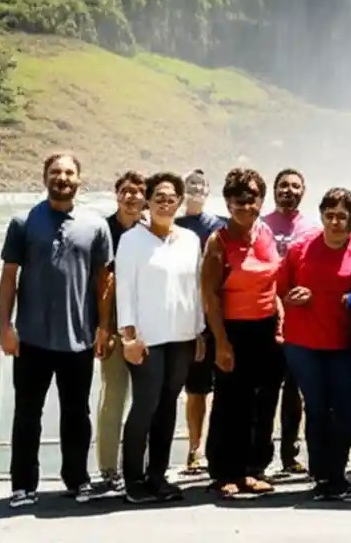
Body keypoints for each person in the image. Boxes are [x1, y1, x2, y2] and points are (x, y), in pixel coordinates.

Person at [0, 152, 113, 507]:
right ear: (44, 177)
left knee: (77, 414)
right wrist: (5, 326)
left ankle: (77, 479)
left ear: (79, 179)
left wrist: (104, 327)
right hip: (31, 338)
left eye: (68, 172)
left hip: (78, 340)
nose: (62, 177)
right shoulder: (23, 222)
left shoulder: (96, 226)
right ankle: (23, 485)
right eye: (55, 172)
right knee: (27, 414)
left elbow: (103, 281)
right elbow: (8, 279)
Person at [114, 172, 204, 503]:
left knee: (168, 407)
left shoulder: (190, 240)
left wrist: (199, 330)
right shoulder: (132, 240)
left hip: (181, 336)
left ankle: (158, 476)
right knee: (145, 406)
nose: (165, 202)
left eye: (172, 197)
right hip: (147, 339)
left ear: (180, 202)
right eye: (159, 197)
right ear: (148, 201)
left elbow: (195, 289)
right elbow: (124, 290)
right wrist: (128, 336)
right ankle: (133, 479)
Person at [202, 168, 284, 498]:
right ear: (227, 202)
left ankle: (254, 468)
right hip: (232, 330)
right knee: (229, 403)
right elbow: (209, 295)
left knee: (263, 402)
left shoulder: (266, 234)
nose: (244, 204)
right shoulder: (218, 241)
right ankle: (225, 472)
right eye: (237, 199)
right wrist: (221, 342)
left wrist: (280, 318)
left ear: (261, 201)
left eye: (251, 198)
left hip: (266, 330)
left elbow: (273, 281)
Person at [279, 188, 351, 501]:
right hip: (303, 342)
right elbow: (280, 289)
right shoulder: (301, 248)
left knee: (344, 411)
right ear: (322, 215)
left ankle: (336, 473)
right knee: (316, 408)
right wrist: (292, 298)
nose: (336, 222)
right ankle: (323, 476)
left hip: (342, 341)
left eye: (343, 216)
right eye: (330, 215)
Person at [262, 168, 318, 476]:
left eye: (296, 186)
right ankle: (261, 454)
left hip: (300, 319)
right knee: (266, 389)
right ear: (274, 190)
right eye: (283, 185)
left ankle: (290, 454)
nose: (289, 190)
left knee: (295, 391)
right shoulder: (261, 225)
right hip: (265, 316)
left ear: (303, 192)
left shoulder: (310, 228)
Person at [96, 169, 147, 491]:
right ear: (117, 195)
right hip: (113, 323)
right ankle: (107, 468)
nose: (131, 197)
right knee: (113, 395)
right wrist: (102, 328)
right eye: (126, 191)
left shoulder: (150, 231)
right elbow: (100, 281)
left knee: (146, 399)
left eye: (138, 191)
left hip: (147, 325)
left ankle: (139, 466)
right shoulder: (103, 230)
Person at [174, 168, 225, 474]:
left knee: (224, 388)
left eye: (200, 184)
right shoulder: (174, 225)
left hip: (219, 316)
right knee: (196, 390)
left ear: (208, 190)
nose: (195, 188)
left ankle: (217, 448)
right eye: (190, 184)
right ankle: (194, 449)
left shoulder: (220, 225)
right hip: (189, 318)